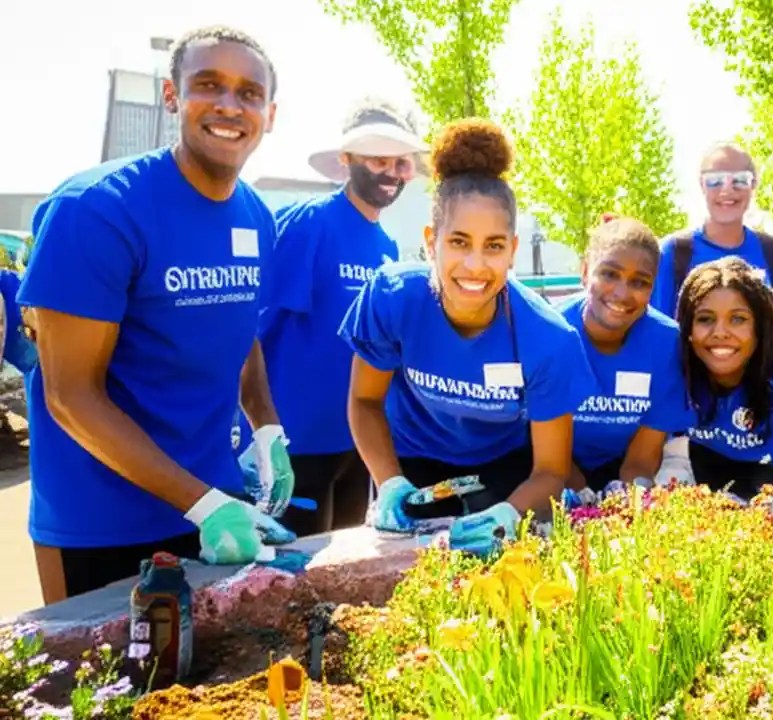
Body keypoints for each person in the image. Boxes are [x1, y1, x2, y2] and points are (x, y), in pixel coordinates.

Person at [18, 25, 297, 603]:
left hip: (215, 509)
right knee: (105, 689)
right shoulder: (96, 211)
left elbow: (239, 328)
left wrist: (265, 425)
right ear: (173, 96)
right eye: (208, 85)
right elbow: (70, 395)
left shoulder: (256, 218)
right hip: (102, 522)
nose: (229, 105)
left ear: (270, 113)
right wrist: (203, 503)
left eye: (249, 93)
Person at [340, 118, 595, 557]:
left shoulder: (549, 338)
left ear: (513, 250)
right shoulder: (392, 297)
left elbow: (551, 470)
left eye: (494, 246)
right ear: (430, 241)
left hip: (507, 477)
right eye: (459, 242)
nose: (476, 265)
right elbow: (364, 402)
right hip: (411, 469)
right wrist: (389, 482)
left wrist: (510, 515)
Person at [247, 98, 421, 537]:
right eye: (378, 159)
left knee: (340, 576)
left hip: (355, 446)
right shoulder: (309, 223)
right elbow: (250, 326)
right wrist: (256, 429)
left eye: (401, 163)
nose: (390, 172)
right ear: (346, 160)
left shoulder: (388, 247)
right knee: (289, 578)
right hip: (296, 447)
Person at [661, 256, 773, 529]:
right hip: (706, 483)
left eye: (738, 319)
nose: (720, 332)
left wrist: (766, 526)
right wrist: (678, 514)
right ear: (688, 329)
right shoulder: (677, 370)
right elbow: (674, 462)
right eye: (705, 319)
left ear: (760, 328)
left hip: (771, 483)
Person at [558, 217, 693, 498]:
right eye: (609, 274)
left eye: (639, 282)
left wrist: (629, 503)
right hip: (555, 466)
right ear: (585, 272)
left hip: (624, 464)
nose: (621, 293)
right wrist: (581, 496)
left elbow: (641, 460)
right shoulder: (550, 332)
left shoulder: (668, 344)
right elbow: (540, 444)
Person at [651, 143, 773, 318]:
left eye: (739, 180)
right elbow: (661, 330)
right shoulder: (672, 252)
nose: (726, 190)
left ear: (754, 185)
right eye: (715, 181)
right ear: (701, 185)